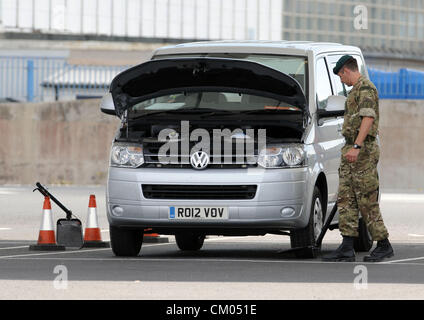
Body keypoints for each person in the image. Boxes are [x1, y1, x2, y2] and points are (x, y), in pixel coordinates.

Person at [322, 55, 394, 262]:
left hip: (362, 151)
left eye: (341, 76)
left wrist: (357, 145)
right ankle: (347, 246)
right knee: (346, 198)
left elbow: (368, 118)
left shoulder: (365, 89)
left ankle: (383, 243)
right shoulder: (355, 90)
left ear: (346, 70)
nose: (341, 80)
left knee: (366, 199)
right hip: (350, 150)